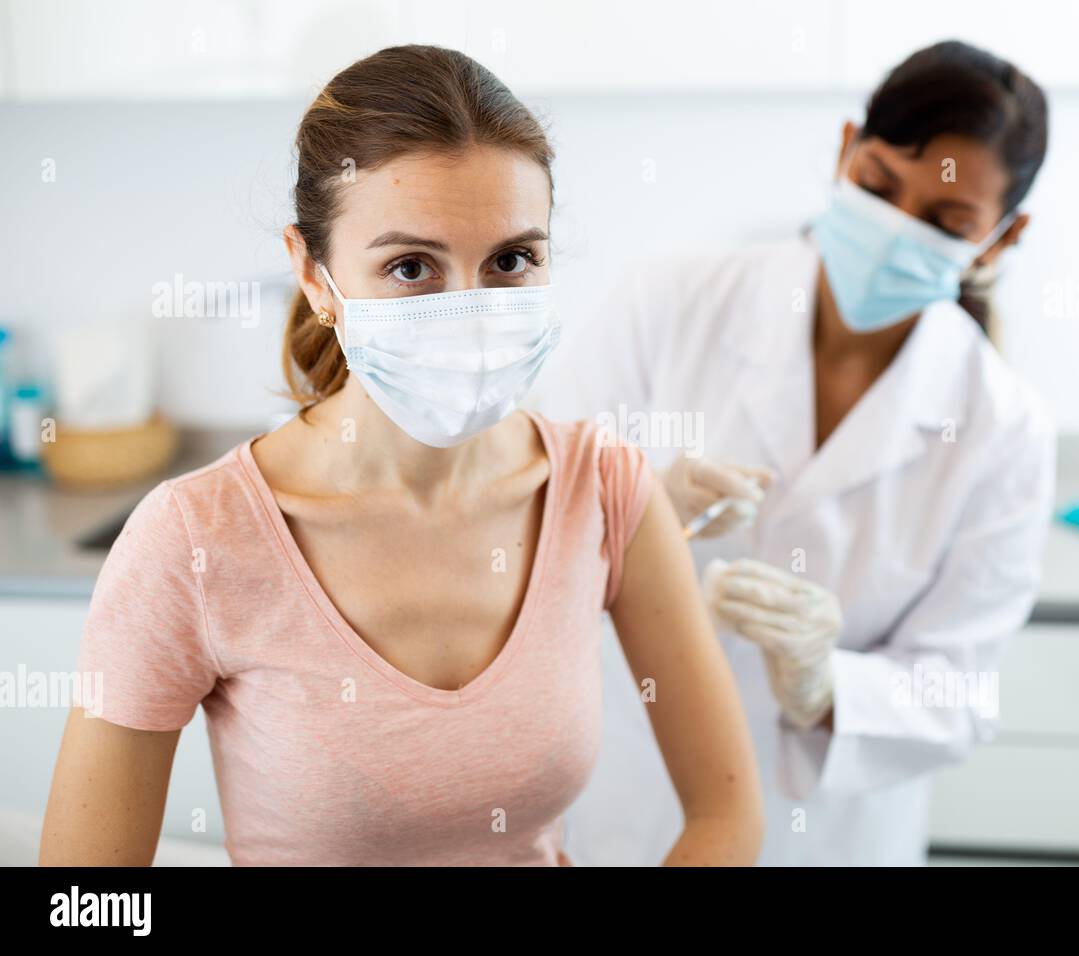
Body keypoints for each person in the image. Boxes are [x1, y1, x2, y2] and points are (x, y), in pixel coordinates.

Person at [40, 45, 762, 867]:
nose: (473, 308)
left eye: (511, 259)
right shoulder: (190, 540)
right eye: (411, 267)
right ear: (313, 275)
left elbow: (726, 815)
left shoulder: (606, 491)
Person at [536, 40, 1057, 866]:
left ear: (1001, 237)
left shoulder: (1003, 427)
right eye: (880, 186)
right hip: (633, 797)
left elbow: (956, 691)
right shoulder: (673, 302)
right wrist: (624, 515)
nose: (894, 231)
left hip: (832, 832)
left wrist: (827, 688)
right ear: (848, 147)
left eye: (945, 221)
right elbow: (510, 509)